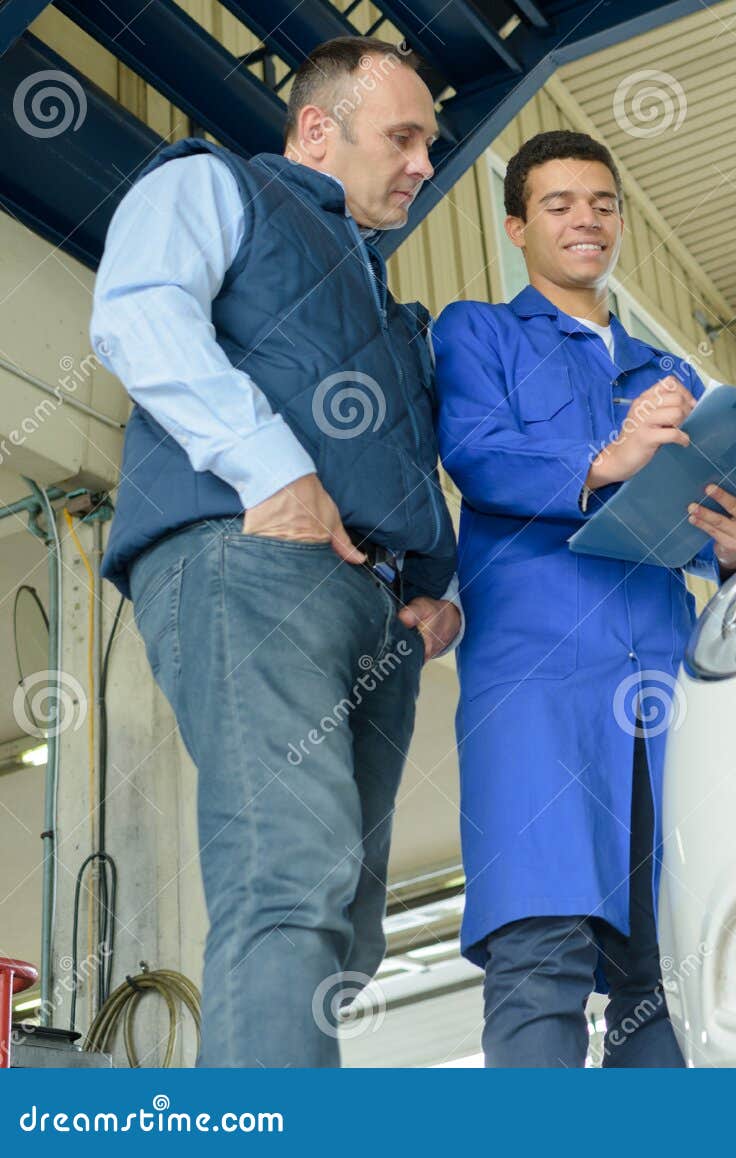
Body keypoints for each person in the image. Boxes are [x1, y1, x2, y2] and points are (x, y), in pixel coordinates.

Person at [91, 37, 462, 1066]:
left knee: (346, 923)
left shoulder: (383, 302)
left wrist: (436, 589)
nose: (424, 163)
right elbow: (138, 313)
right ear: (316, 127)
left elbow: (399, 457)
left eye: (428, 142)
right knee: (289, 871)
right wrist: (270, 469)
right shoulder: (215, 185)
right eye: (402, 137)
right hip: (248, 562)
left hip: (372, 611)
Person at [432, 130, 736, 1066]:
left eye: (603, 203)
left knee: (662, 971)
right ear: (514, 227)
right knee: (540, 959)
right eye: (558, 204)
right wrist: (604, 458)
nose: (587, 219)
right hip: (536, 687)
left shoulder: (670, 374)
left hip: (663, 686)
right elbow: (478, 454)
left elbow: (697, 527)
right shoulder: (478, 333)